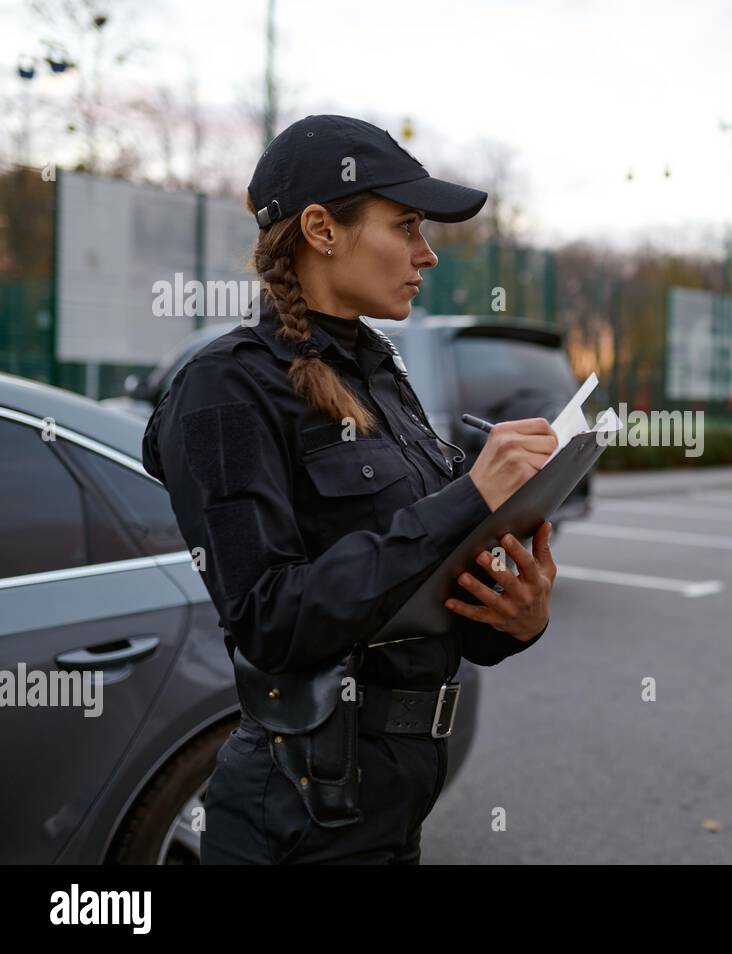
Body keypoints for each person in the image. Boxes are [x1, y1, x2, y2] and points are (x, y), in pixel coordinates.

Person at [142, 114, 558, 864]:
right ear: (321, 229)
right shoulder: (225, 388)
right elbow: (269, 617)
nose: (426, 255)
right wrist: (468, 497)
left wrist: (514, 620)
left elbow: (412, 591)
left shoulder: (378, 371)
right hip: (299, 813)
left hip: (390, 802)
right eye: (405, 226)